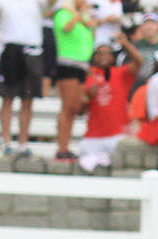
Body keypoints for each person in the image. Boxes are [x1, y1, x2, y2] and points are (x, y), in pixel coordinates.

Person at [0, 0, 47, 157]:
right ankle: (6, 141)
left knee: (28, 99)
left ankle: (23, 142)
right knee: (7, 97)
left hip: (32, 48)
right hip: (10, 47)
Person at [78, 33, 141, 171]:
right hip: (93, 137)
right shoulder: (88, 76)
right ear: (94, 57)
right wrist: (87, 95)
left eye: (107, 54)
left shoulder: (120, 73)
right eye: (99, 53)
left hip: (117, 135)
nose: (103, 57)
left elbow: (139, 62)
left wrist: (125, 44)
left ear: (112, 57)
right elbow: (79, 110)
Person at [53, 0, 96, 161]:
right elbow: (65, 28)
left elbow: (91, 32)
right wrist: (78, 14)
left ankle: (66, 145)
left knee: (75, 107)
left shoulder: (82, 17)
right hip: (68, 63)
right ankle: (62, 147)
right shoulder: (63, 13)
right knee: (67, 107)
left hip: (82, 65)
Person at [131, 12, 158, 93]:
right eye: (146, 23)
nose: (149, 27)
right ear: (141, 27)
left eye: (153, 23)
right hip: (139, 85)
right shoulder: (135, 46)